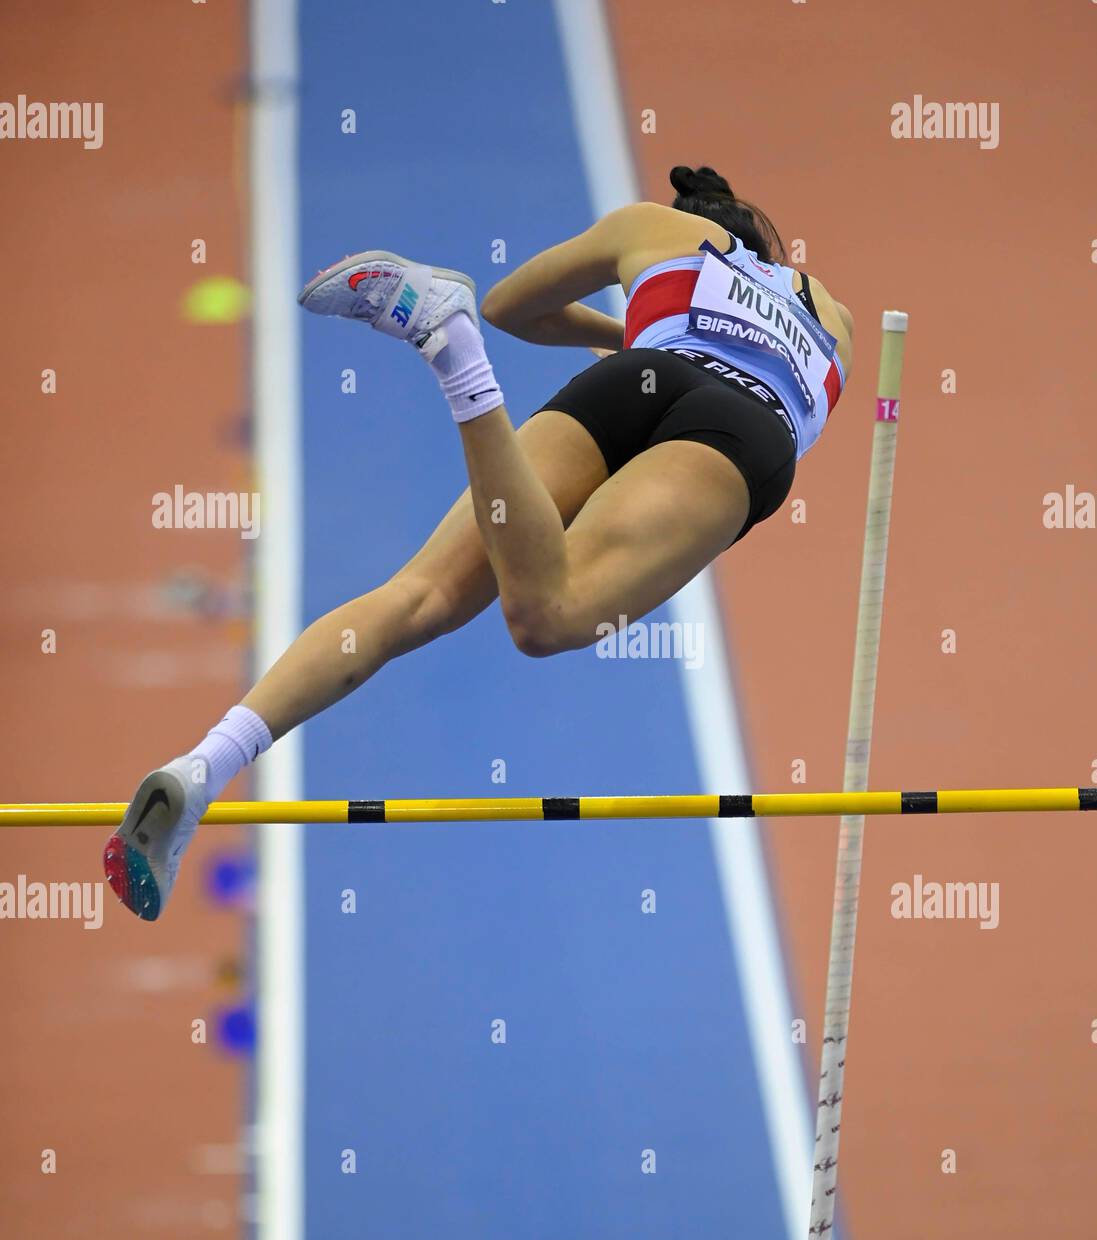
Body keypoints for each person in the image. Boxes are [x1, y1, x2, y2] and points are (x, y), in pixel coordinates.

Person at [103, 166, 855, 919]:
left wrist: (627, 333)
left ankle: (202, 766)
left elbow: (510, 306)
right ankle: (452, 354)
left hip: (638, 374)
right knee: (547, 616)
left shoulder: (651, 228)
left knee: (416, 595)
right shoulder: (834, 316)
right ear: (770, 245)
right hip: (742, 427)